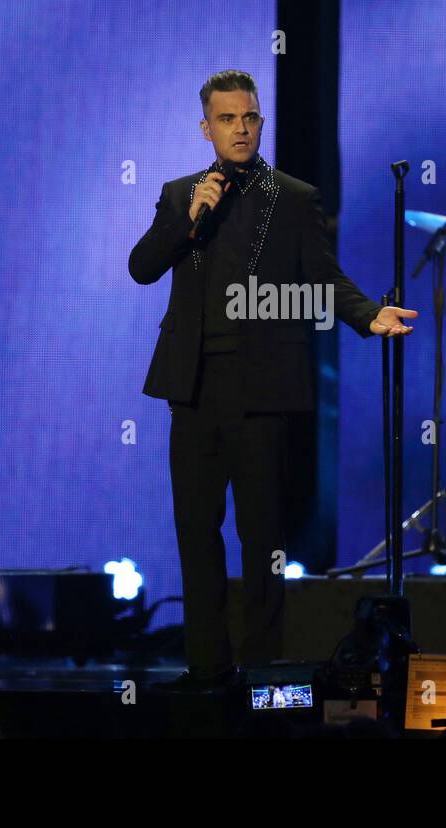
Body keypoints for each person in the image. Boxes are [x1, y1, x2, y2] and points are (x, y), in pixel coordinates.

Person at [129, 70, 417, 689]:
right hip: (193, 389)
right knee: (195, 534)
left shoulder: (292, 197)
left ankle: (259, 672)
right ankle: (207, 667)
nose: (240, 128)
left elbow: (323, 277)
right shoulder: (182, 194)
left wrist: (370, 315)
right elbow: (141, 267)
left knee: (262, 539)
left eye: (250, 117)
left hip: (261, 392)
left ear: (261, 123)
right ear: (206, 128)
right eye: (227, 119)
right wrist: (188, 221)